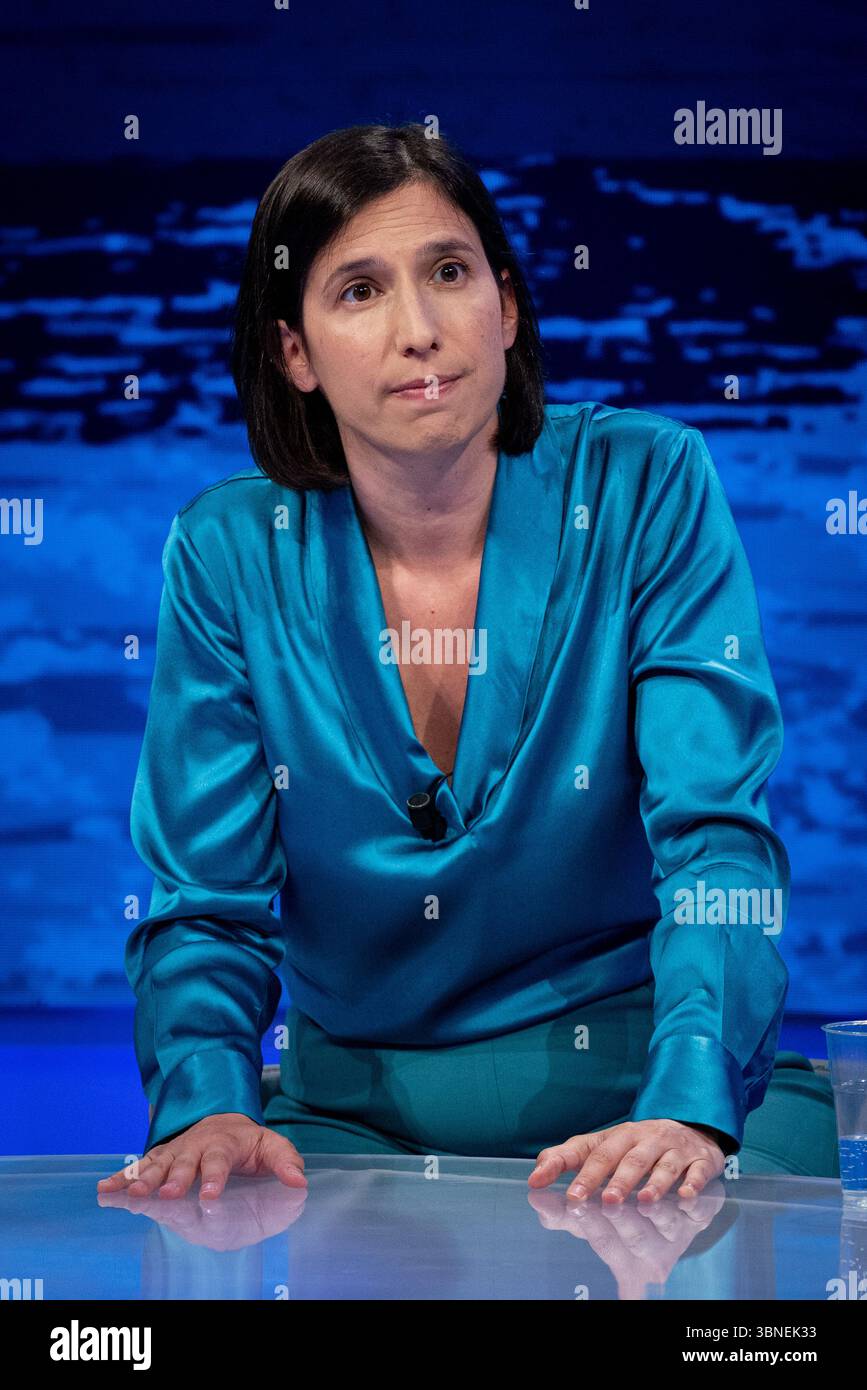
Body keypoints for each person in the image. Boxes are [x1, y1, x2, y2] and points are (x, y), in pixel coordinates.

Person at [98, 122, 838, 1207]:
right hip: (349, 1119)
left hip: (650, 1083)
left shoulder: (647, 483)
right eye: (358, 291)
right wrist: (209, 1100)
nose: (420, 330)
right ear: (293, 352)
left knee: (748, 1233)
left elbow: (715, 842)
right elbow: (206, 900)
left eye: (449, 273)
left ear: (507, 305)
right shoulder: (224, 554)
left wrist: (686, 1104)